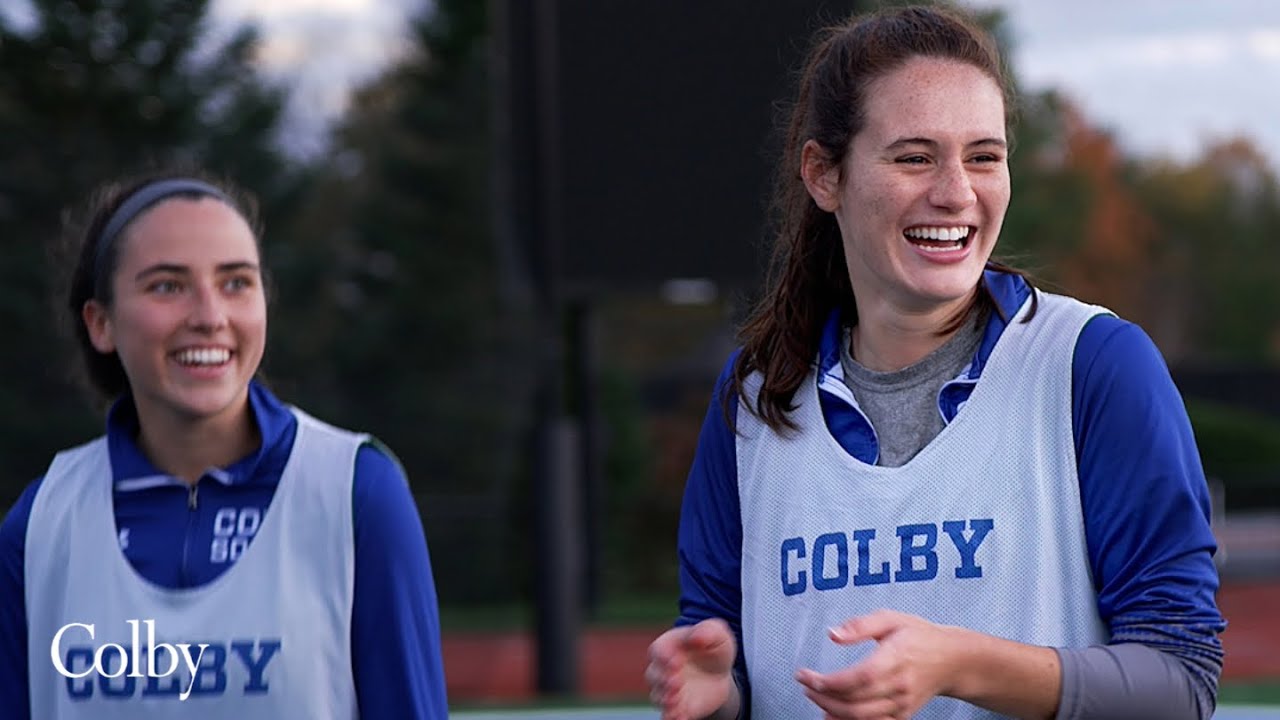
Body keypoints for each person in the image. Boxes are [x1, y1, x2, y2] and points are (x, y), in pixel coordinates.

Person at [644, 5, 1225, 720]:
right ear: (825, 176)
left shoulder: (1093, 366)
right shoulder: (755, 397)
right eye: (915, 156)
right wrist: (716, 697)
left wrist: (961, 664)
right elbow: (727, 660)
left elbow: (1182, 678)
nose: (956, 192)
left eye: (984, 156)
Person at [0, 170, 449, 718]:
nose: (210, 317)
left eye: (236, 282)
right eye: (167, 285)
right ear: (101, 323)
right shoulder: (42, 525)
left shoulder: (356, 493)